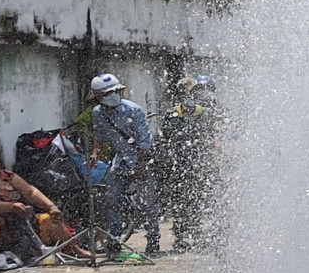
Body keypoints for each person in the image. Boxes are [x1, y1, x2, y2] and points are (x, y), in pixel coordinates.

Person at [88, 72, 162, 254]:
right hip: (121, 159)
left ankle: (153, 238)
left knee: (147, 202)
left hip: (142, 159)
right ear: (99, 97)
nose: (112, 96)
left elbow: (145, 143)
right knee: (113, 198)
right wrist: (95, 153)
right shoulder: (98, 114)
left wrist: (140, 167)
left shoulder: (134, 111)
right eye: (107, 94)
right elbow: (100, 136)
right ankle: (114, 238)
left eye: (114, 92)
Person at [0, 145, 68, 264]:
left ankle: (71, 250)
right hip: (0, 223)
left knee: (50, 219)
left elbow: (30, 191)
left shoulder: (6, 176)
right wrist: (11, 207)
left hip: (23, 217)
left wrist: (51, 207)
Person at [160, 74, 220, 252]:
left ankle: (198, 235)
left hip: (200, 163)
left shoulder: (206, 113)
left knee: (200, 199)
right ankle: (182, 236)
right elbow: (165, 138)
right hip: (180, 164)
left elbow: (215, 136)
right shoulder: (172, 114)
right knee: (181, 201)